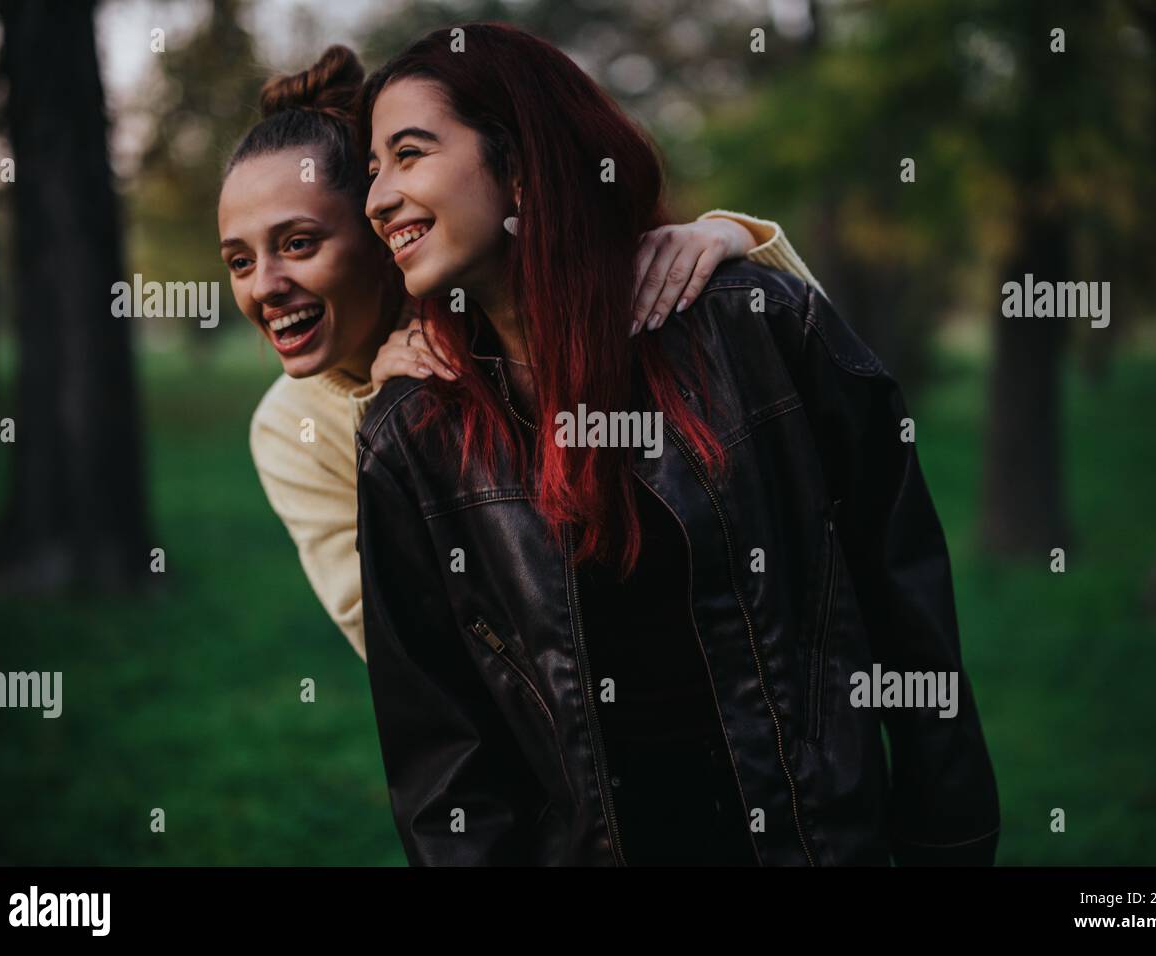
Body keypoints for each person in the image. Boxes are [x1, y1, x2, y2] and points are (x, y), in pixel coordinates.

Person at [356, 22, 1000, 866]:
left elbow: (909, 616)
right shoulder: (413, 437)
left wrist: (948, 842)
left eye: (409, 154)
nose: (377, 199)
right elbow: (442, 759)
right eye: (373, 171)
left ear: (521, 158)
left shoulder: (757, 329)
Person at [216, 45, 825, 662]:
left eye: (299, 243)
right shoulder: (289, 430)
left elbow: (821, 395)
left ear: (379, 237)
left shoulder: (486, 303)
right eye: (239, 261)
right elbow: (401, 642)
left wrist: (731, 235)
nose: (265, 284)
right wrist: (382, 424)